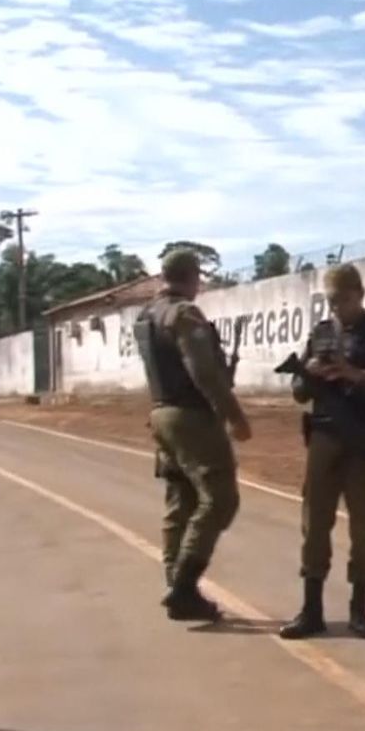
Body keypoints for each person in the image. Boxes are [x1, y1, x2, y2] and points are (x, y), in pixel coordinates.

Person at [280, 264, 365, 640]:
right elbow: (298, 392)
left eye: (344, 299)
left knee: (363, 526)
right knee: (315, 524)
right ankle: (312, 609)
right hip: (323, 437)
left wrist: (357, 375)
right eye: (331, 301)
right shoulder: (321, 333)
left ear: (360, 293)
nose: (337, 307)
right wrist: (309, 373)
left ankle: (359, 610)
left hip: (363, 437)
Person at [131, 250, 253, 622]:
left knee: (180, 500)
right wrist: (234, 415)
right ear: (193, 276)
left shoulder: (146, 316)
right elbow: (203, 372)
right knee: (220, 499)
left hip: (160, 413)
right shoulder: (183, 313)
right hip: (190, 416)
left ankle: (176, 584)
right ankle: (184, 587)